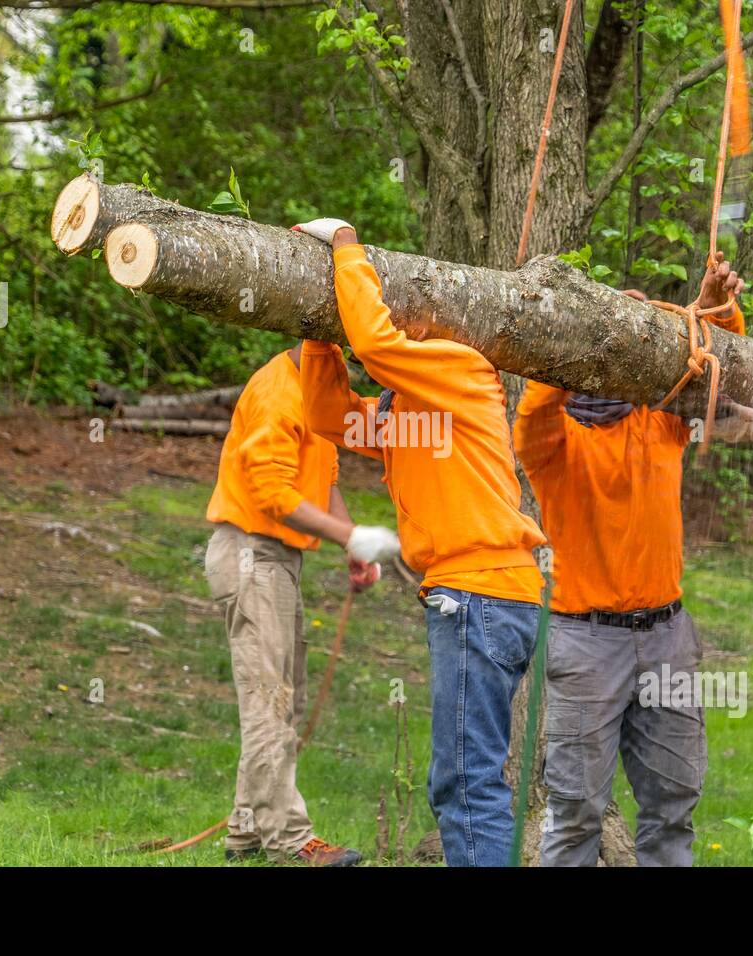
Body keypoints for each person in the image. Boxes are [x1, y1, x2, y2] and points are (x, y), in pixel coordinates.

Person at [513, 261, 753, 867]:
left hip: (667, 635)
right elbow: (541, 384)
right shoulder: (550, 437)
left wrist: (715, 303)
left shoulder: (658, 419)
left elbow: (716, 365)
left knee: (673, 805)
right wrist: (590, 324)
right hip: (584, 643)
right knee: (575, 812)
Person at [292, 217, 546, 867]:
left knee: (466, 782)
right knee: (462, 779)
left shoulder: (459, 369)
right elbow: (327, 416)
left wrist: (346, 246)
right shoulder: (407, 406)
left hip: (480, 595)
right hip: (474, 597)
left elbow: (375, 346)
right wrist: (320, 332)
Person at [205, 341, 401, 866]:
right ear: (315, 346)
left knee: (281, 699)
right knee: (269, 701)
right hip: (249, 553)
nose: (346, 368)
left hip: (279, 559)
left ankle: (246, 831)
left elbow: (325, 477)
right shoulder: (276, 393)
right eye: (340, 355)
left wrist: (349, 547)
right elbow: (274, 494)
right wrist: (351, 534)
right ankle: (290, 840)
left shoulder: (318, 397)